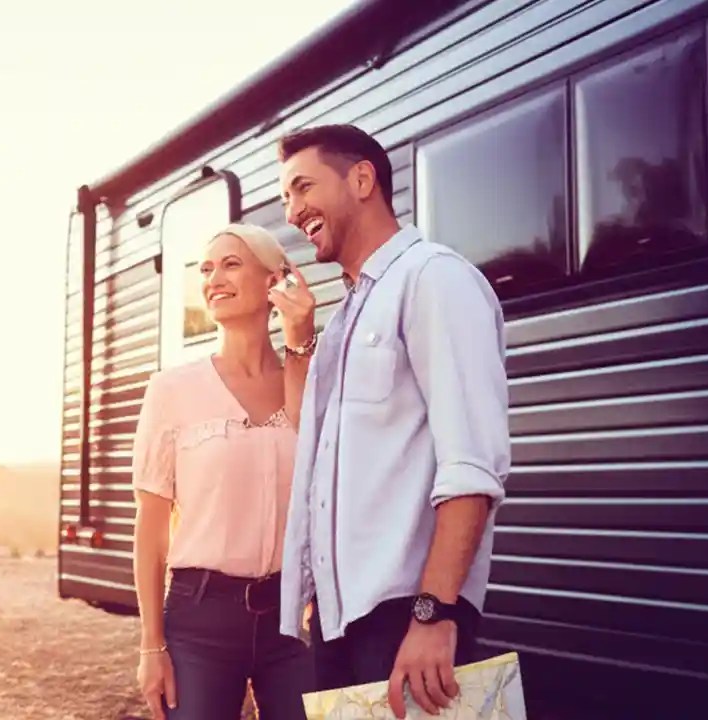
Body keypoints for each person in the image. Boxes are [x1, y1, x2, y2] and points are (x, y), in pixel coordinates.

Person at [272, 124, 511, 719]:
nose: (294, 211)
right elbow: (313, 444)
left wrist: (435, 614)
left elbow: (472, 465)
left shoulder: (434, 278)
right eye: (285, 199)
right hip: (340, 618)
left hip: (406, 616)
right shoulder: (348, 315)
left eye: (303, 187)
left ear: (361, 179)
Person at [132, 223, 316, 720]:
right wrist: (152, 647)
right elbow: (150, 531)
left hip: (294, 620)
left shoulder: (313, 379)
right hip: (199, 619)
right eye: (207, 269)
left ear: (275, 279)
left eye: (231, 264)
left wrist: (301, 338)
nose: (214, 278)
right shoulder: (171, 389)